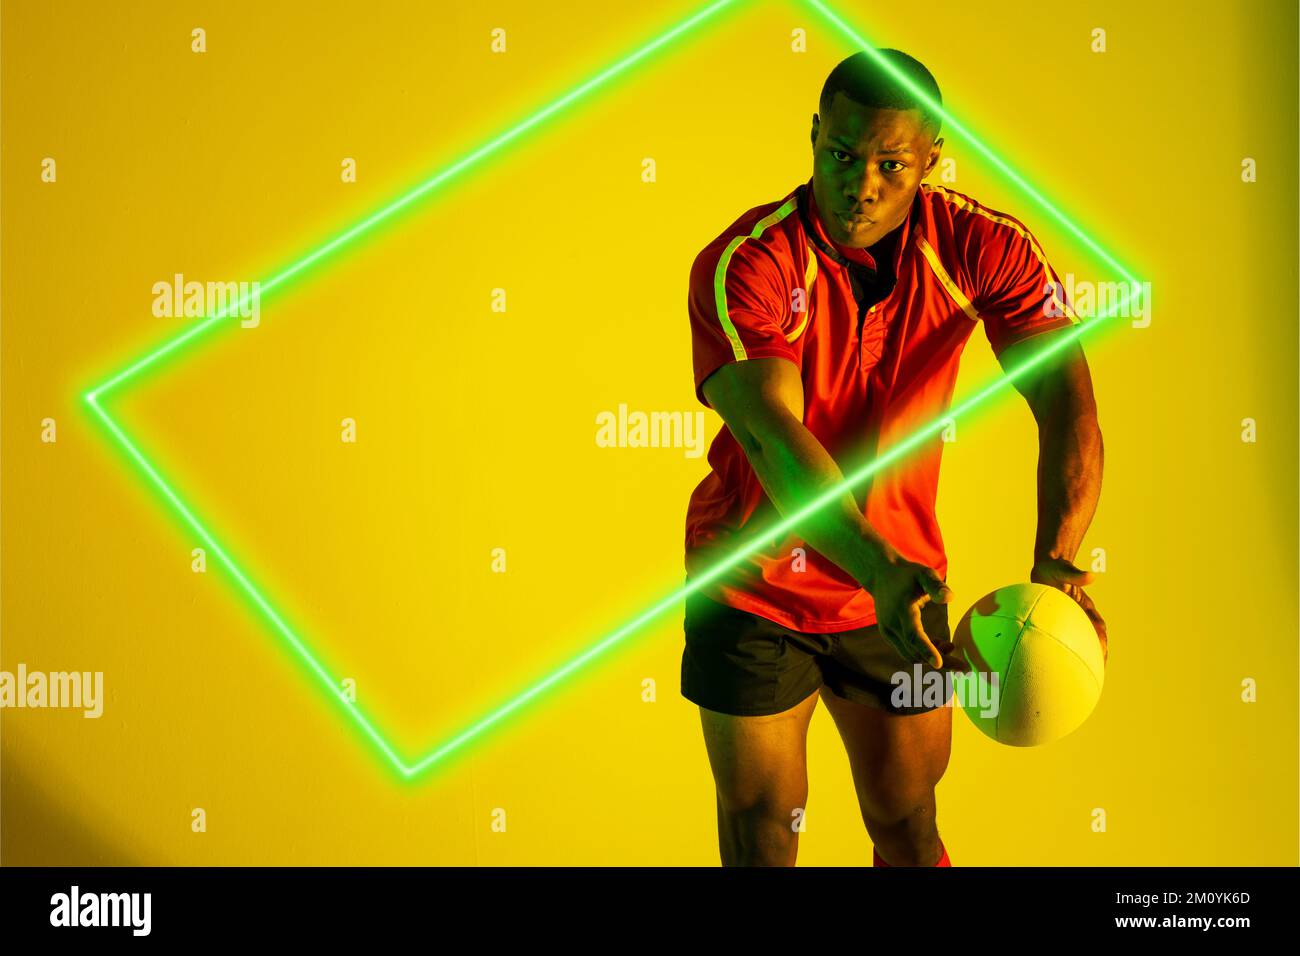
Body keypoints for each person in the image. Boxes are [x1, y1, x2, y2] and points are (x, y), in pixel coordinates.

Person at [681, 48, 1107, 867]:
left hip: (900, 591)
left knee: (909, 826)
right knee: (764, 833)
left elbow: (1066, 400)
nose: (862, 184)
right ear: (813, 138)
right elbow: (772, 435)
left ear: (931, 161)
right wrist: (875, 566)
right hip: (755, 582)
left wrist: (1057, 561)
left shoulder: (984, 247)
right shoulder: (750, 263)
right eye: (842, 155)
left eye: (891, 164)